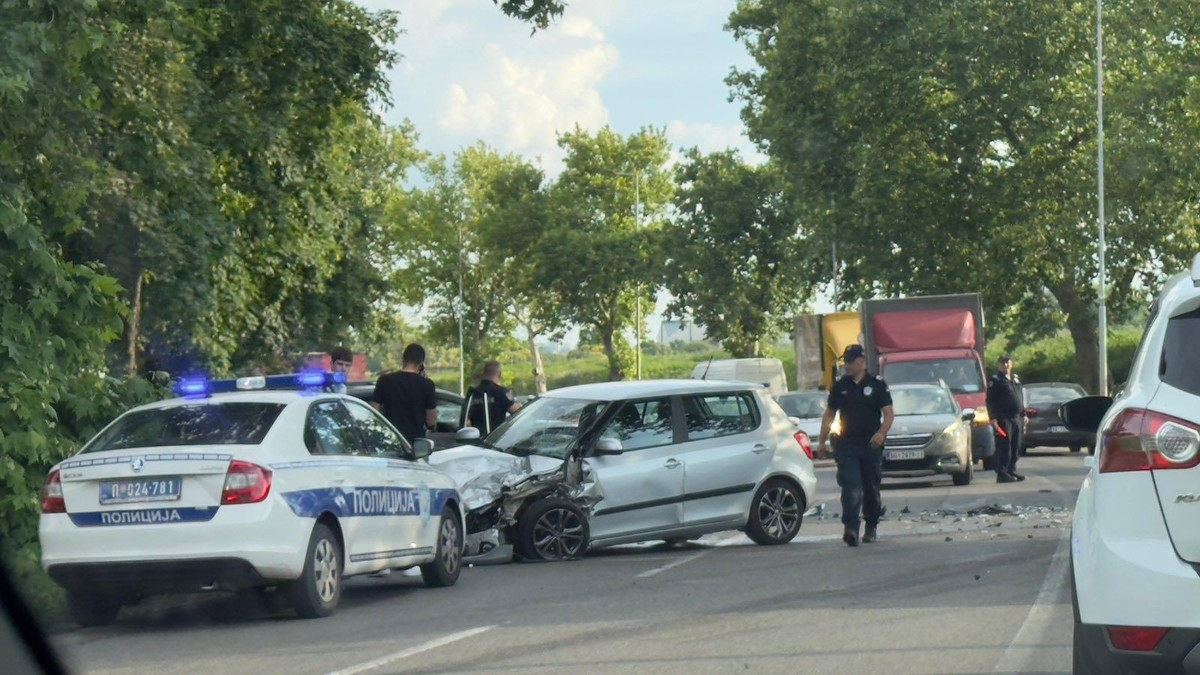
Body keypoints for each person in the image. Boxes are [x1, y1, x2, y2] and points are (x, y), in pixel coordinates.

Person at [818, 344, 895, 547]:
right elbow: (829, 414)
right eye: (845, 362)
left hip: (870, 444)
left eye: (851, 362)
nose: (847, 366)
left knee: (870, 487)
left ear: (861, 363)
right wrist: (822, 441)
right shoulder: (840, 386)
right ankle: (851, 528)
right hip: (848, 443)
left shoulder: (877, 385)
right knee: (850, 486)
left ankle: (871, 525)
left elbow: (888, 413)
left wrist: (881, 434)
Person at [373, 343, 437, 444]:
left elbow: (375, 412)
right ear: (421, 364)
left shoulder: (384, 380)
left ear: (403, 359)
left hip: (390, 440)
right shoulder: (427, 385)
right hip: (416, 444)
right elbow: (431, 422)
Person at [986, 356, 1026, 483]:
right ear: (999, 366)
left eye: (1007, 363)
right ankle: (1002, 472)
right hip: (1003, 418)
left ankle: (1011, 470)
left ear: (1011, 365)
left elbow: (1019, 397)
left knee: (1016, 446)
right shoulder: (996, 381)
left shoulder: (1014, 379)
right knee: (1005, 446)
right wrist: (993, 418)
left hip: (1016, 418)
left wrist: (1024, 414)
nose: (1005, 366)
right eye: (1003, 364)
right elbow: (990, 401)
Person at [464, 360, 523, 435]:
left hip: (476, 439)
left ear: (485, 373)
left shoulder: (472, 393)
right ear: (499, 374)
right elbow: (519, 412)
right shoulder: (502, 392)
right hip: (497, 439)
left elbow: (466, 420)